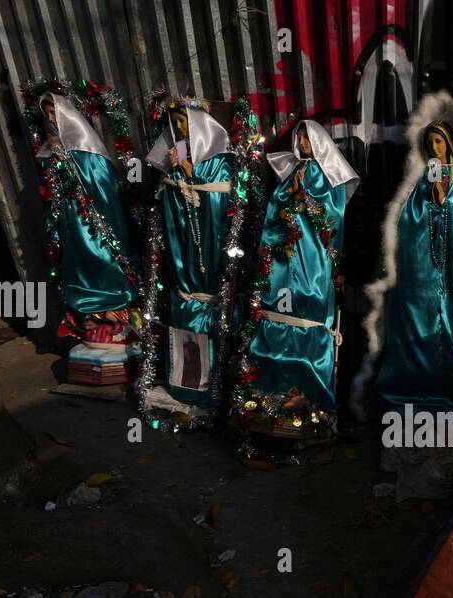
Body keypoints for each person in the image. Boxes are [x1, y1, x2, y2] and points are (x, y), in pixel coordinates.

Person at [355, 92, 453, 498]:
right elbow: (402, 239)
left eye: (441, 143)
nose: (436, 150)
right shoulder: (416, 190)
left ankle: (451, 438)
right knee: (410, 358)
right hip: (417, 297)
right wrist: (429, 205)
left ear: (452, 146)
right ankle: (408, 437)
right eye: (431, 144)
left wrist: (447, 204)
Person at [234, 120, 359, 447]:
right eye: (298, 137)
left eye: (307, 138)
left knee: (307, 306)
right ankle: (272, 394)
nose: (301, 142)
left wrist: (304, 198)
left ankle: (309, 396)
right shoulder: (289, 173)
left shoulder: (324, 175)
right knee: (277, 308)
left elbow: (331, 216)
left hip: (310, 256)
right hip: (283, 258)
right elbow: (275, 213)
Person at [142, 101, 236, 418]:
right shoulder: (176, 154)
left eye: (184, 123)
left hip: (211, 256)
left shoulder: (219, 160)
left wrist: (193, 181)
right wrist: (178, 181)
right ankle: (183, 383)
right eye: (175, 124)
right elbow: (167, 200)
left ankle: (211, 384)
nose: (179, 130)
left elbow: (220, 202)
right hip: (185, 259)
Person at [35, 92, 136, 345]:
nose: (50, 119)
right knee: (78, 266)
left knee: (102, 260)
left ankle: (112, 320)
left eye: (53, 113)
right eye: (46, 114)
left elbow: (104, 190)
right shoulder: (52, 148)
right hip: (71, 224)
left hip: (94, 223)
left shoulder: (87, 149)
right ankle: (90, 326)